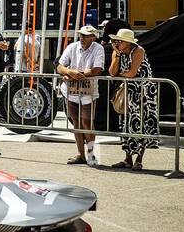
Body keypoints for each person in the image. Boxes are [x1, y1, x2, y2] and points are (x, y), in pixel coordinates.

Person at [108, 27, 159, 171]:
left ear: (128, 42)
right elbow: (112, 72)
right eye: (116, 41)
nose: (117, 43)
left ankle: (139, 159)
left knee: (142, 124)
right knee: (126, 123)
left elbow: (131, 73)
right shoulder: (118, 53)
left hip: (143, 93)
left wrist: (122, 74)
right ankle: (127, 159)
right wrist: (117, 56)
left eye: (120, 41)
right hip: (128, 92)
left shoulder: (138, 51)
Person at [56, 24, 105, 166]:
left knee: (87, 123)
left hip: (88, 92)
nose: (82, 38)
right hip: (71, 91)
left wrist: (75, 74)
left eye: (85, 35)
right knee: (76, 122)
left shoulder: (98, 48)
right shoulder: (73, 47)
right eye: (81, 35)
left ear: (93, 37)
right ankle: (82, 155)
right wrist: (70, 73)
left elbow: (97, 69)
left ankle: (90, 155)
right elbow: (59, 66)